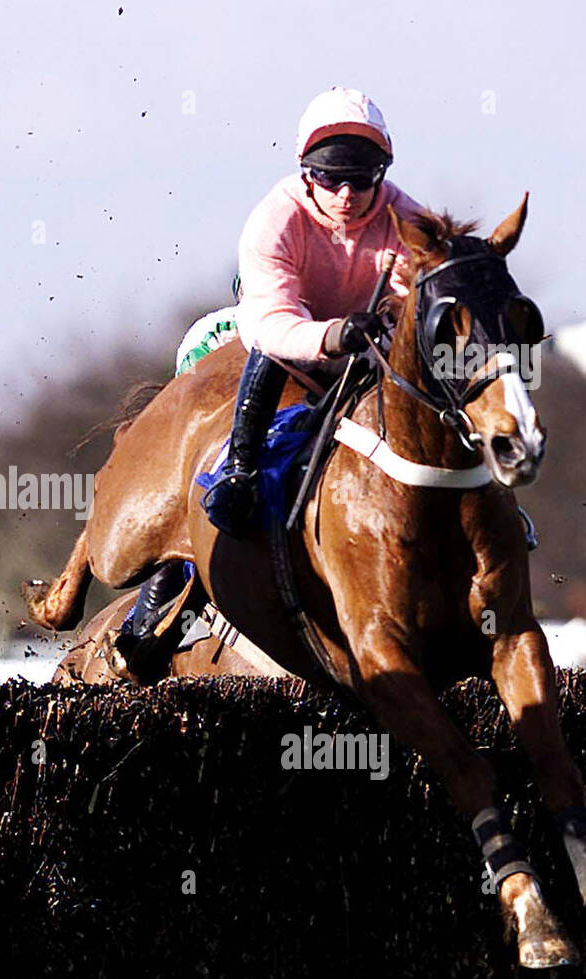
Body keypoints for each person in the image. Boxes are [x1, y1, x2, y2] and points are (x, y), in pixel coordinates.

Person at [122, 87, 426, 664]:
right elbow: (270, 331)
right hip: (283, 361)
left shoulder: (406, 218)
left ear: (380, 174)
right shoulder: (232, 302)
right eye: (331, 178)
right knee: (217, 483)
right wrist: (332, 335)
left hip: (363, 361)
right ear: (306, 174)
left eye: (361, 180)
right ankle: (232, 481)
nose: (346, 194)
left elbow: (416, 303)